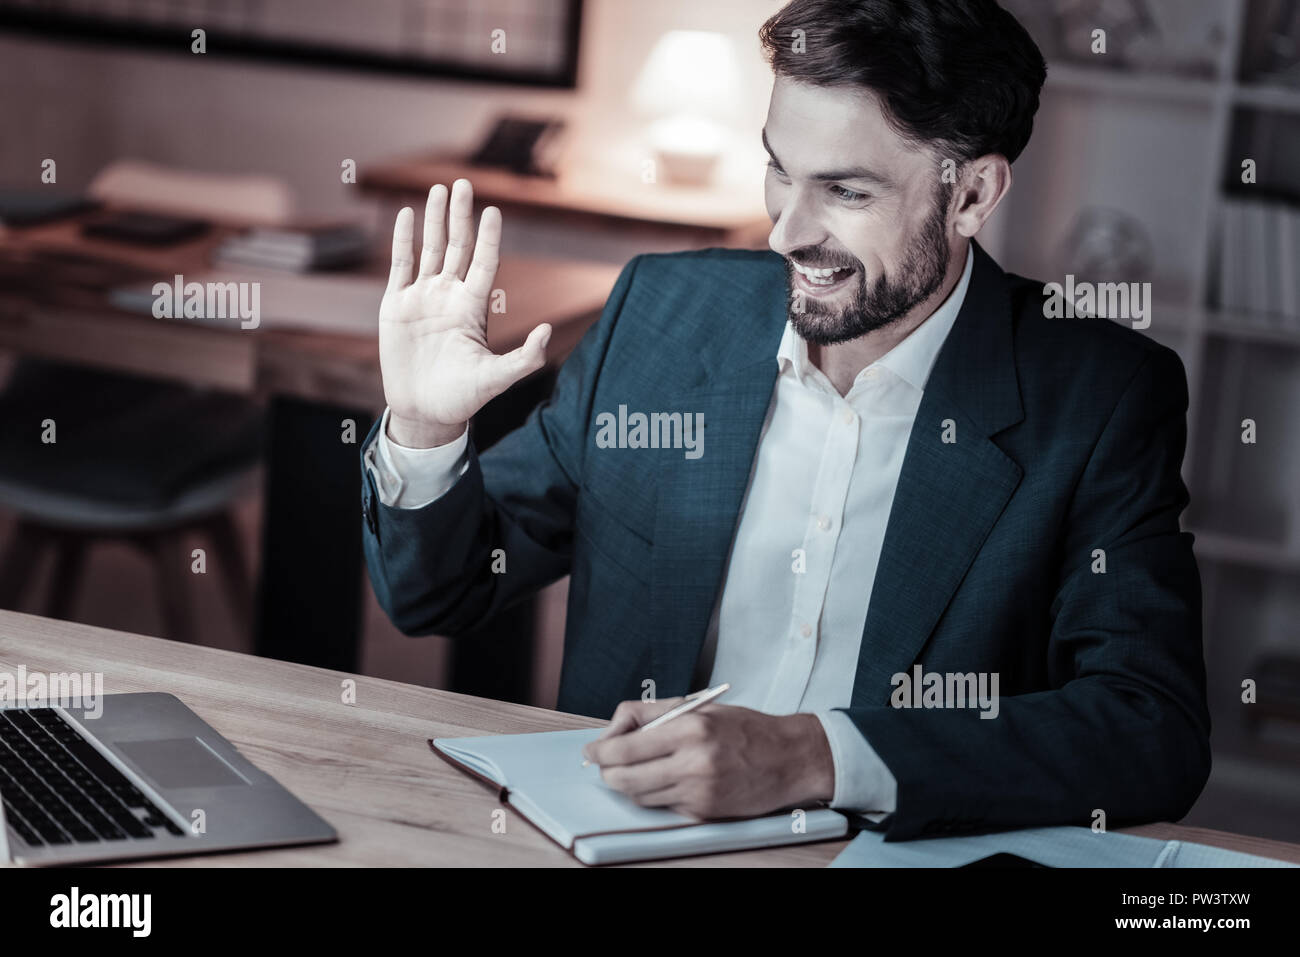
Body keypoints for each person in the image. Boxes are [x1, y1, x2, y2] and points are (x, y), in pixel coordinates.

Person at [360, 0, 1210, 839]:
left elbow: (1150, 728)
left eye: (845, 189)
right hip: (617, 845)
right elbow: (445, 586)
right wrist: (424, 432)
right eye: (779, 170)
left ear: (972, 195)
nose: (787, 233)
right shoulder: (660, 316)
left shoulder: (1101, 396)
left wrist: (818, 755)